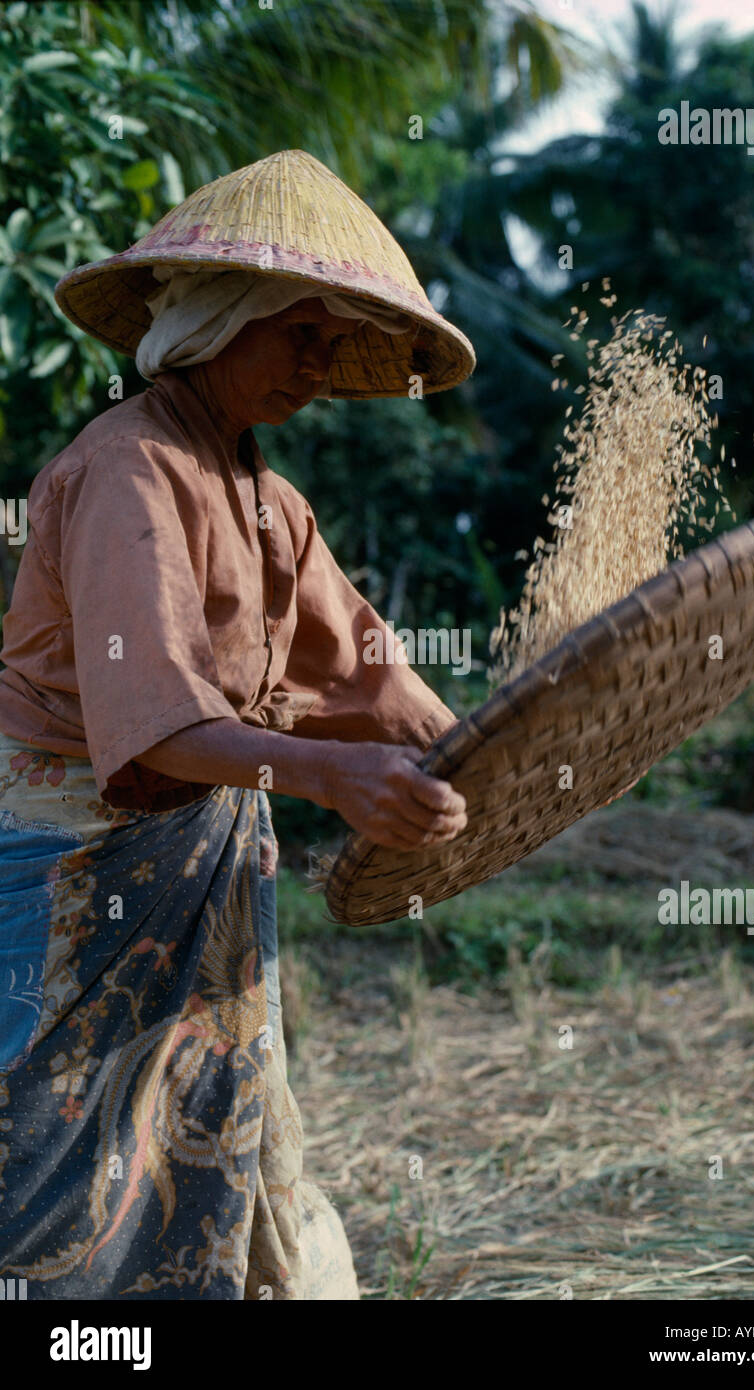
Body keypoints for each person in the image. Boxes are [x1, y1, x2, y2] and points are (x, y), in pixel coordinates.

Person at [0, 149, 475, 1300]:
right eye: (299, 333)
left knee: (198, 1127)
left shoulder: (270, 499)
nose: (317, 365)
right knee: (61, 1151)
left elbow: (368, 670)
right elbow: (153, 720)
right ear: (218, 321)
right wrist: (329, 777)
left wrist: (492, 755)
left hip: (200, 856)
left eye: (331, 341)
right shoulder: (129, 469)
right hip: (81, 863)